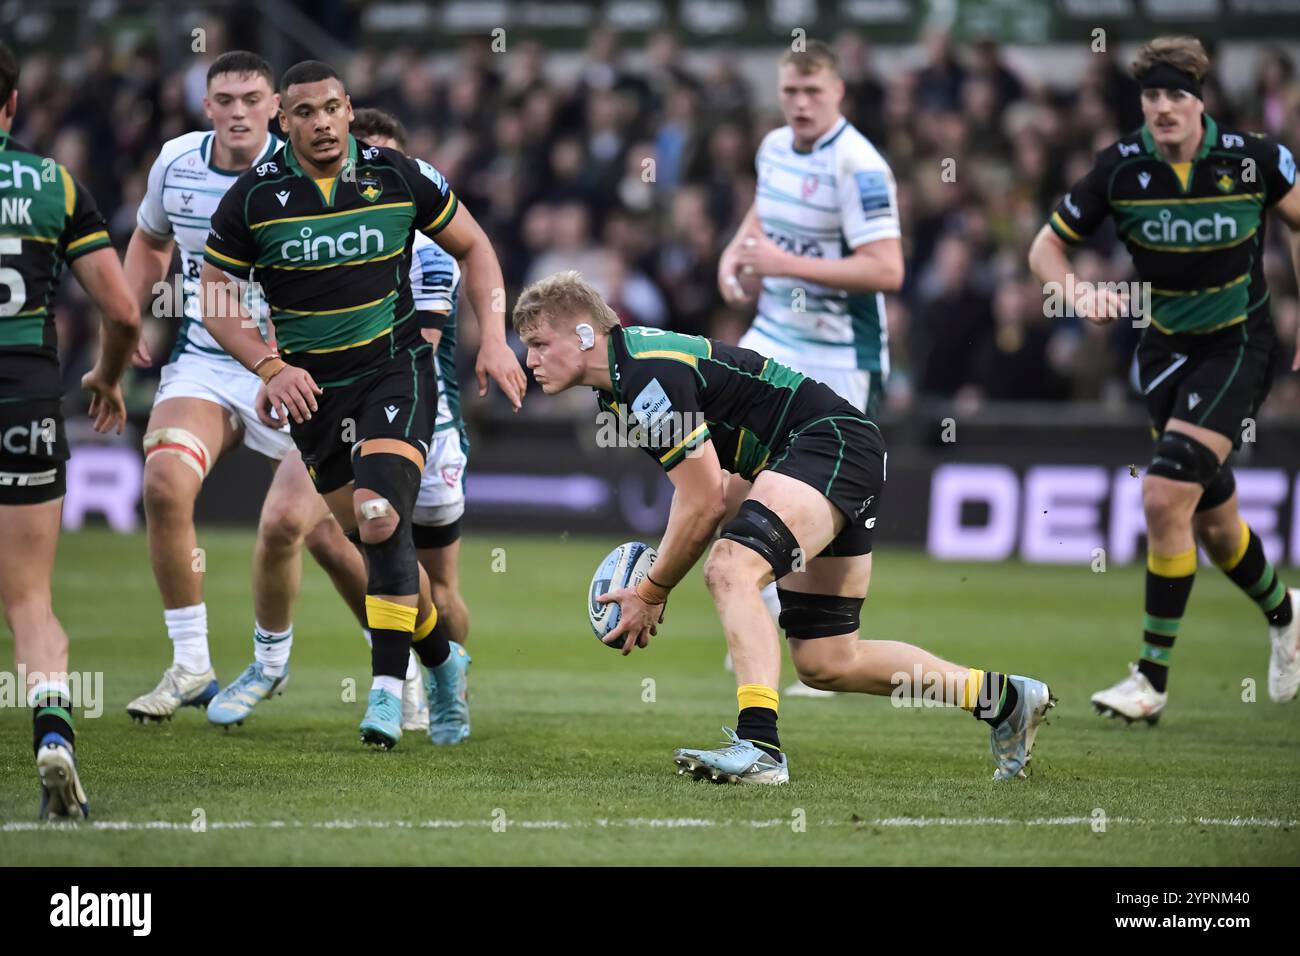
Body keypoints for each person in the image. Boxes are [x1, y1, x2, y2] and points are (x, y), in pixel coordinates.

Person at [513, 270, 1053, 784]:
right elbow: (709, 488)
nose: (530, 359)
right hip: (833, 451)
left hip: (825, 443)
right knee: (826, 661)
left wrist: (653, 589)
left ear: (585, 333)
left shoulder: (645, 376)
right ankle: (1003, 700)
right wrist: (658, 575)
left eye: (539, 343)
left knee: (729, 569)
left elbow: (705, 505)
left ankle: (761, 750)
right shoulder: (625, 379)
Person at [203, 61, 524, 749]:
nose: (320, 123)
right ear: (280, 121)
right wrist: (268, 365)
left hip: (395, 372)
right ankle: (441, 657)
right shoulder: (253, 199)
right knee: (372, 538)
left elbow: (476, 247)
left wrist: (494, 340)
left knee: (380, 519)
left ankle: (384, 693)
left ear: (349, 109)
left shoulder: (398, 175)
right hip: (313, 395)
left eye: (331, 108)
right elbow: (214, 296)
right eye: (304, 113)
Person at [1028, 36, 1300, 723]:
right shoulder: (1118, 170)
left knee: (1160, 498)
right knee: (1213, 526)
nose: (1164, 107)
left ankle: (1149, 679)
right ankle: (1286, 609)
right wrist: (1079, 294)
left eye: (1177, 93)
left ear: (1200, 100)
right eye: (1152, 95)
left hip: (1238, 344)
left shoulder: (1253, 160)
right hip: (1163, 352)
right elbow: (1044, 249)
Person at [123, 50, 371, 727]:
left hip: (305, 370)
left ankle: (396, 658)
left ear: (275, 109)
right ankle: (191, 663)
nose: (236, 111)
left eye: (250, 99)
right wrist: (128, 317)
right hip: (209, 361)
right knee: (163, 482)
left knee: (328, 536)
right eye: (223, 99)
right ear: (206, 107)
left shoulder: (315, 172)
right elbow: (149, 243)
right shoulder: (175, 164)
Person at [716, 40, 903, 697]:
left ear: (838, 93)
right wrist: (734, 253)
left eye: (812, 93)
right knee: (719, 485)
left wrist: (782, 265)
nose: (800, 104)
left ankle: (819, 644)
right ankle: (760, 620)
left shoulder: (859, 166)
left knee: (808, 507)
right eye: (790, 92)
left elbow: (888, 269)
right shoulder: (772, 148)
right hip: (774, 334)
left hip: (838, 355)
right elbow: (763, 212)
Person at [0, 39, 140, 817]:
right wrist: (108, 376)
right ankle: (53, 732)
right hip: (23, 399)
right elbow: (122, 310)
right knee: (28, 600)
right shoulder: (53, 182)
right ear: (14, 104)